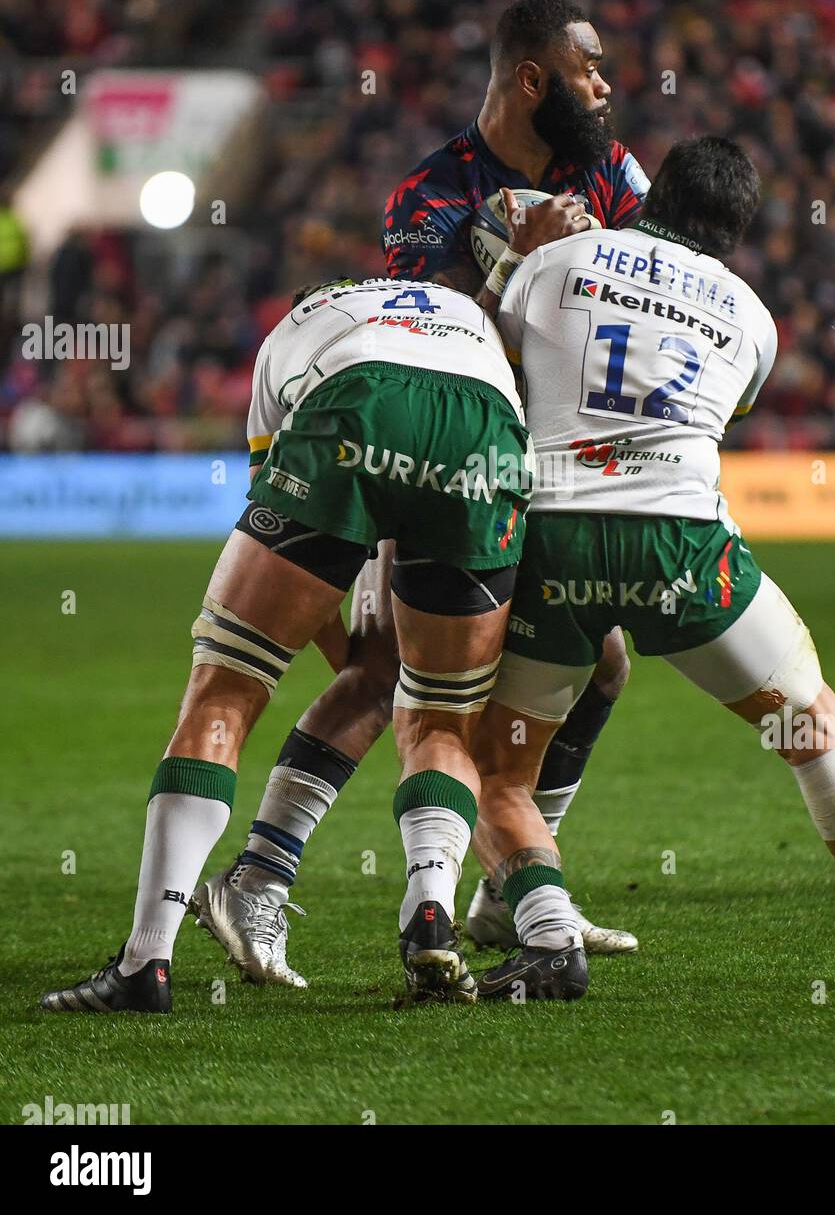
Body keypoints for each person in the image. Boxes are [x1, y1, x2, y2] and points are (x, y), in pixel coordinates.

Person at [466, 137, 835, 1000]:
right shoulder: (752, 314)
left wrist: (507, 268)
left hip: (553, 536)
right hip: (681, 542)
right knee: (810, 728)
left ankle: (544, 931)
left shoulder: (555, 259)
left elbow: (494, 367)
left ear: (648, 195)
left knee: (499, 771)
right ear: (737, 231)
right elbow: (725, 403)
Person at [200, 0, 649, 985]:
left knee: (603, 661)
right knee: (381, 665)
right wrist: (522, 265)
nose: (608, 87)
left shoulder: (613, 178)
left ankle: (501, 895)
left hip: (552, 458)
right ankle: (257, 877)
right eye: (592, 68)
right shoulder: (432, 193)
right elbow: (434, 346)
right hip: (455, 450)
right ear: (533, 78)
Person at [41, 276, 532, 1011]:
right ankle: (430, 909)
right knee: (440, 717)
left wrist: (343, 657)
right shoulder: (464, 313)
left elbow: (288, 513)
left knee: (225, 692)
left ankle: (147, 963)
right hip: (485, 427)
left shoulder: (292, 330)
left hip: (355, 400)